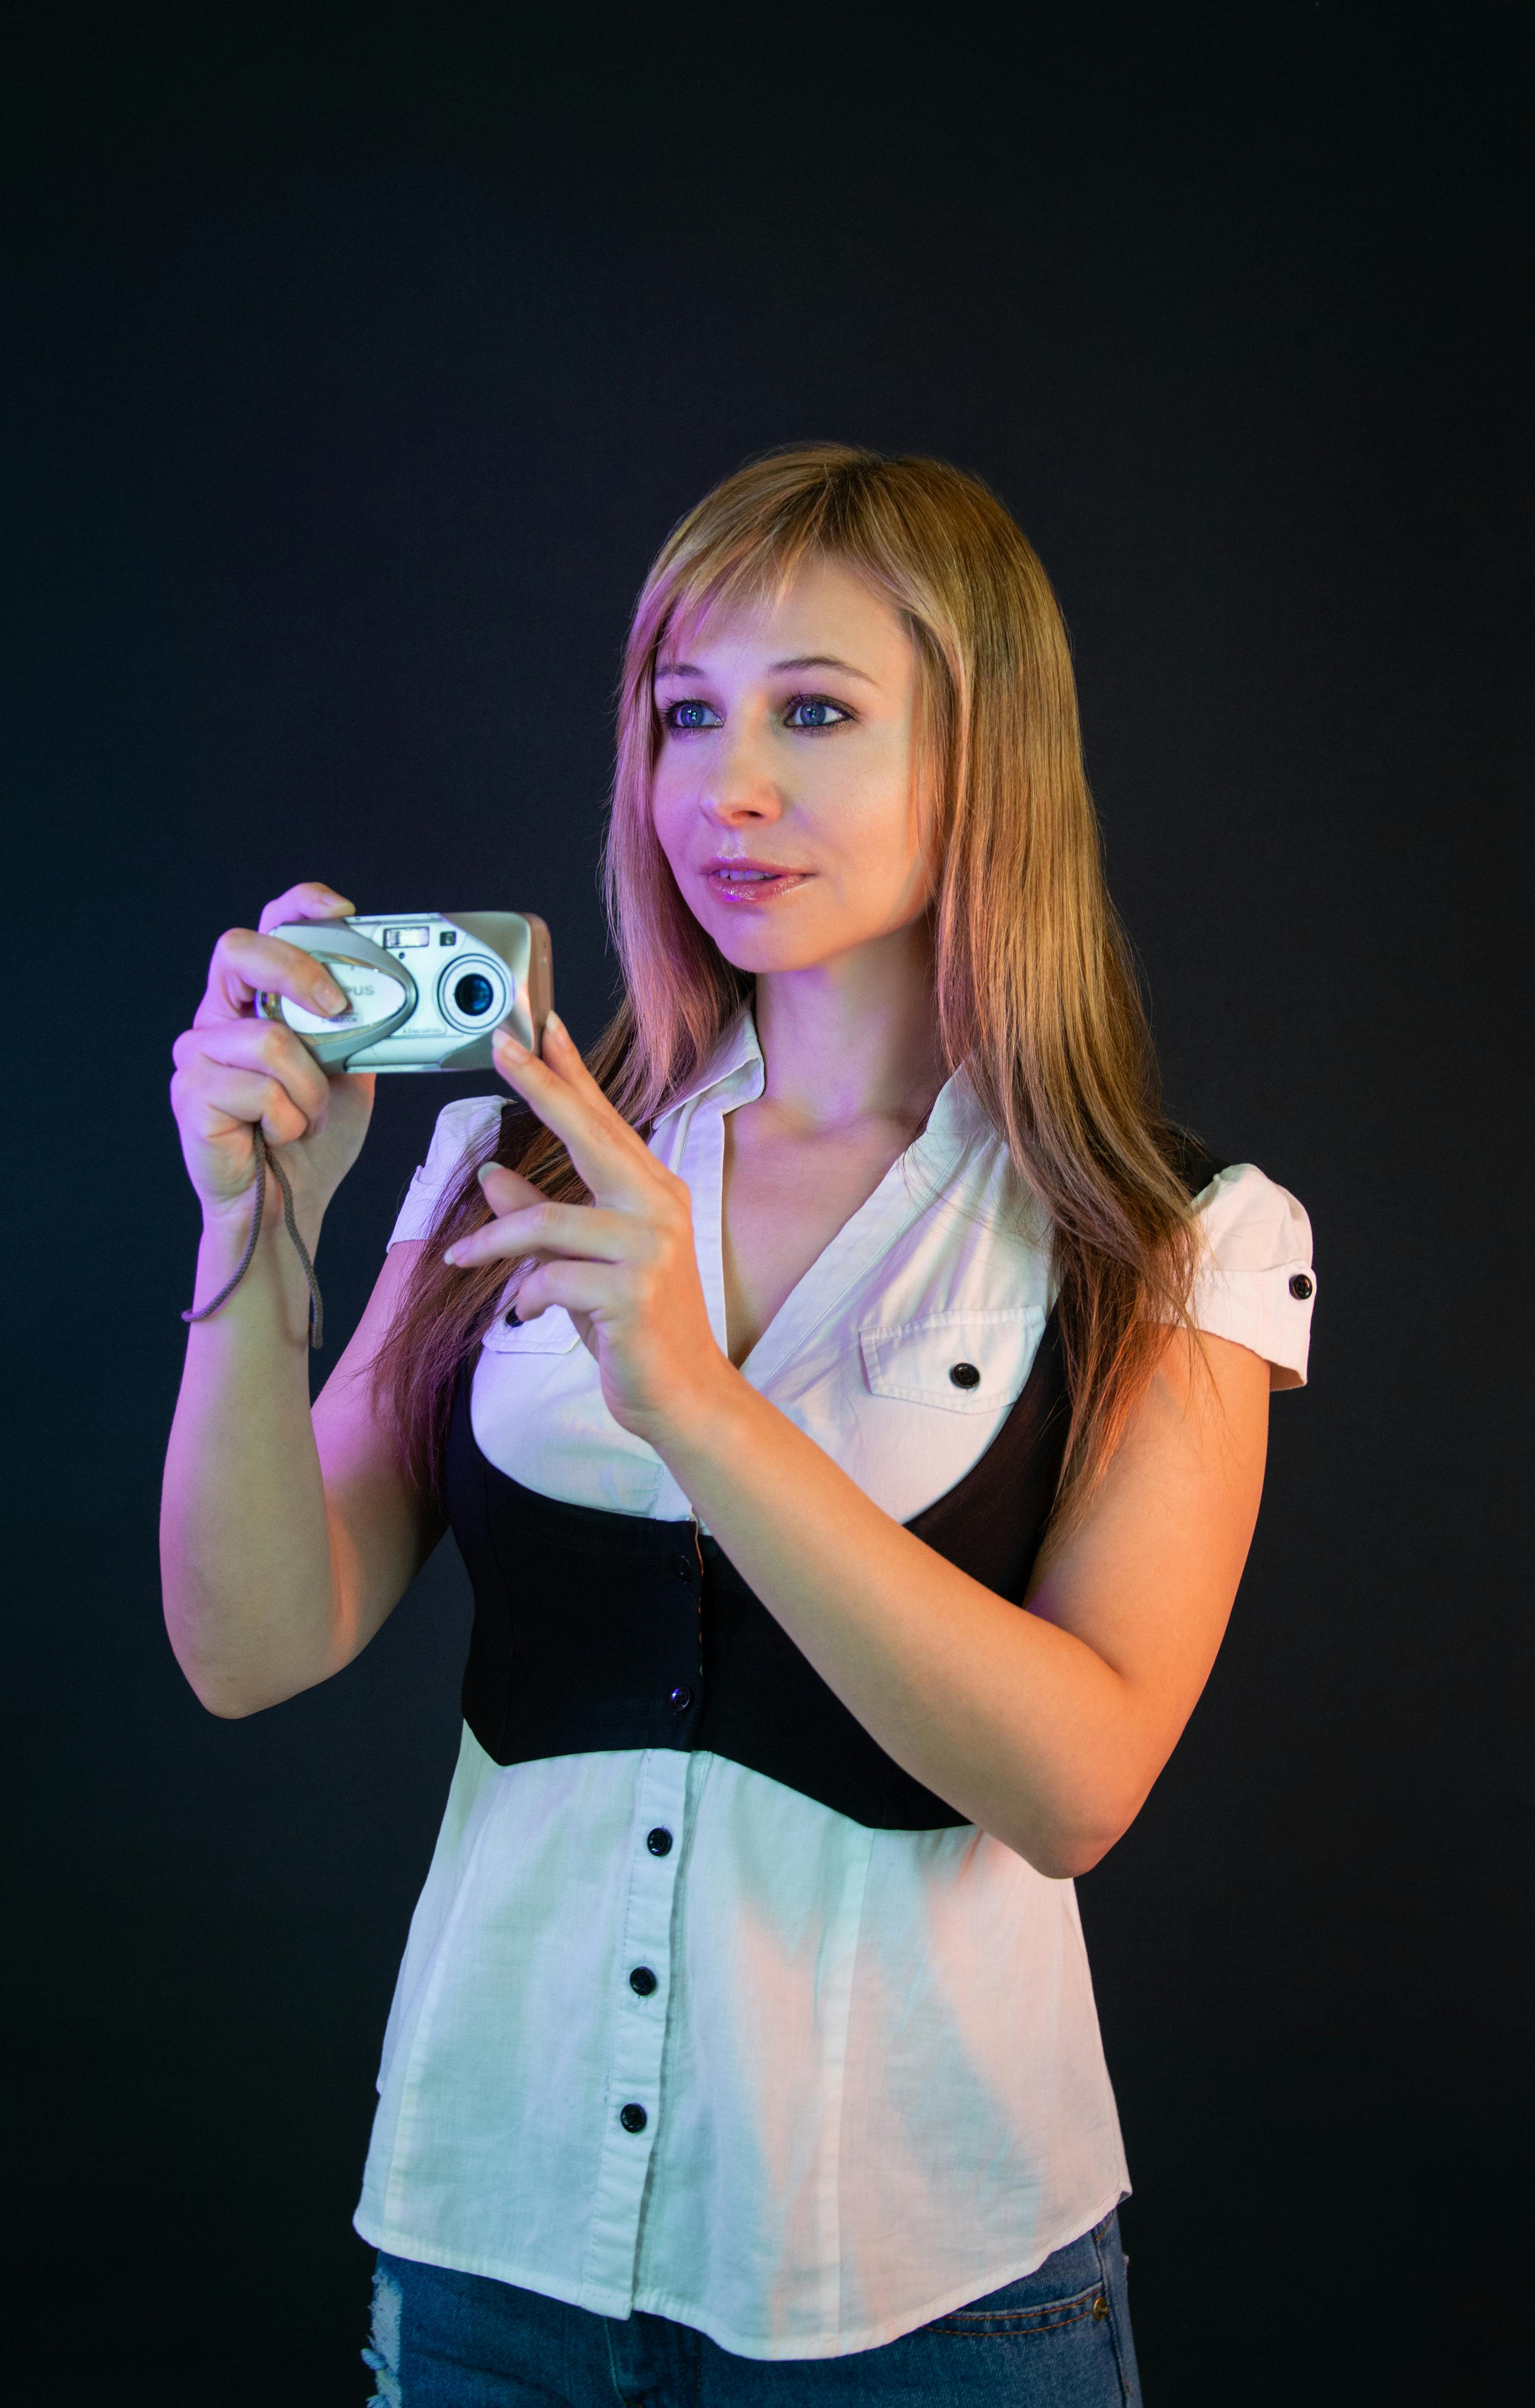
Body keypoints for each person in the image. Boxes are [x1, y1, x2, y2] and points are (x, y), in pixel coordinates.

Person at [163, 445, 1315, 2406]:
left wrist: (690, 1396)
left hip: (932, 2299)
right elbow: (254, 1644)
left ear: (984, 758)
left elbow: (1076, 1784)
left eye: (815, 713)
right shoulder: (507, 1160)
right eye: (685, 712)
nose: (729, 787)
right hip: (485, 2255)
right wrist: (253, 1238)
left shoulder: (1172, 1238)